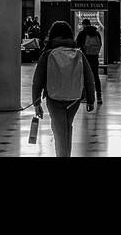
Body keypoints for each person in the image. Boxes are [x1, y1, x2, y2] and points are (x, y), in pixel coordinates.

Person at [31, 22, 95, 157]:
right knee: (67, 127)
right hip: (74, 98)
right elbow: (89, 77)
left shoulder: (48, 54)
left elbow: (38, 80)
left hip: (54, 98)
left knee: (59, 130)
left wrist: (36, 102)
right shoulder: (78, 53)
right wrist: (90, 100)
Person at [74, 19, 104, 104]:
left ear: (84, 25)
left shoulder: (82, 33)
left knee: (84, 77)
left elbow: (77, 45)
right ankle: (99, 96)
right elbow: (100, 44)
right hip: (95, 58)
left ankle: (85, 97)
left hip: (85, 58)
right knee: (96, 77)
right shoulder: (96, 33)